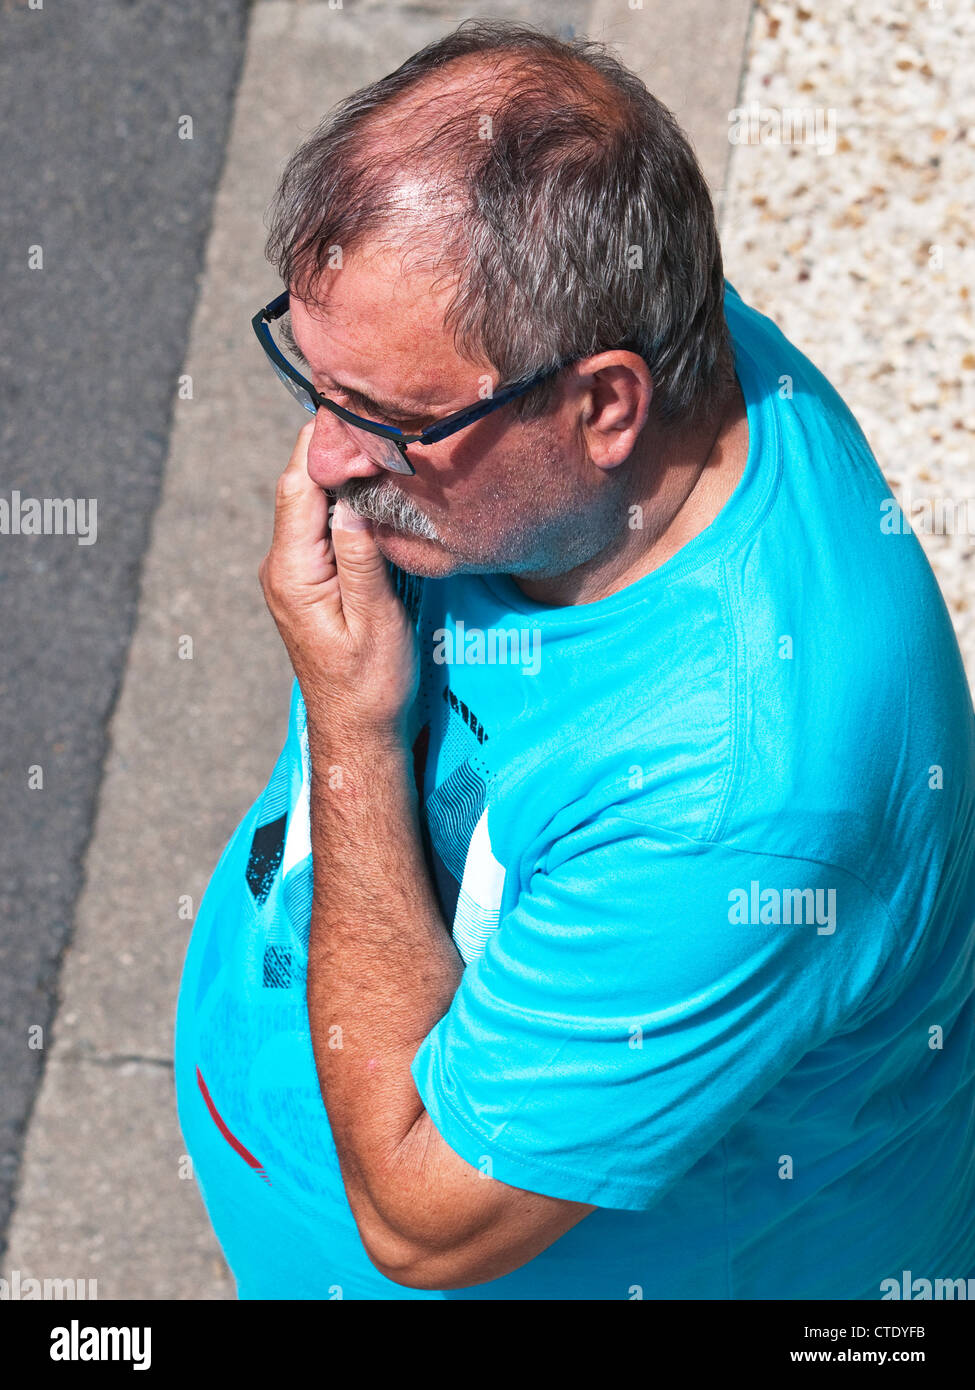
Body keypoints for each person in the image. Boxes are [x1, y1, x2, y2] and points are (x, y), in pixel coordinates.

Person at [174, 19, 975, 1300]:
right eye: (315, 384)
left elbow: (427, 1221)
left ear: (606, 405)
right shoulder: (621, 357)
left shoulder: (742, 802)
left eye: (391, 417)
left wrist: (352, 729)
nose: (326, 459)